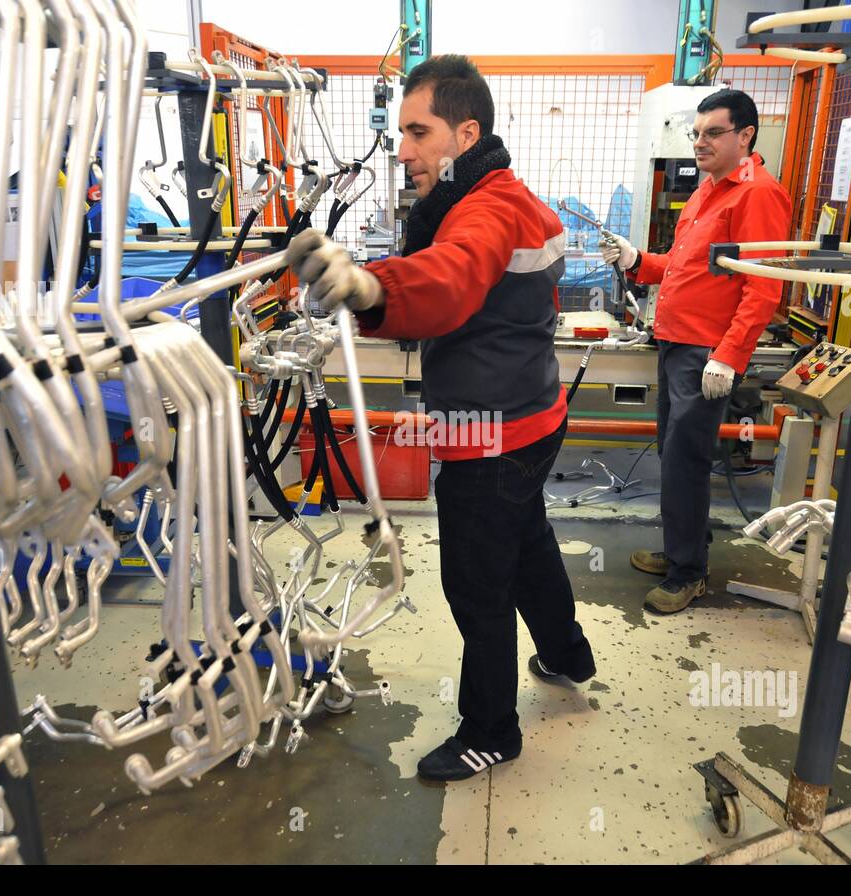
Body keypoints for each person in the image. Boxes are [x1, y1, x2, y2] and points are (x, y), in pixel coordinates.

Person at [286, 54, 595, 783]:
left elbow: (448, 281)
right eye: (401, 133)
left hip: (490, 435)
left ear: (466, 131)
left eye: (418, 132)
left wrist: (364, 285)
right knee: (528, 543)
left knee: (477, 583)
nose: (403, 149)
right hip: (531, 416)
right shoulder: (505, 193)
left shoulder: (483, 210)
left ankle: (491, 730)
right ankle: (566, 651)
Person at [599, 88, 791, 615]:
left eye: (713, 133)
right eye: (696, 133)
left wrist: (728, 355)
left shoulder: (758, 195)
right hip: (677, 343)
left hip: (705, 353)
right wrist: (638, 258)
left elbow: (762, 288)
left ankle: (689, 574)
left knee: (685, 459)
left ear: (745, 135)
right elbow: (686, 268)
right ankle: (683, 549)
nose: (700, 142)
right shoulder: (709, 192)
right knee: (675, 454)